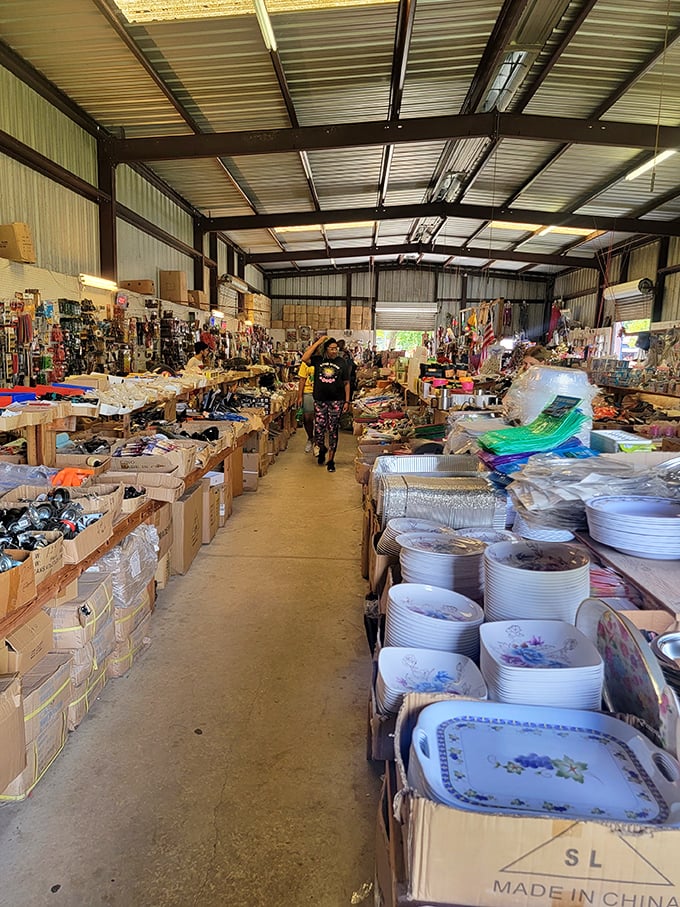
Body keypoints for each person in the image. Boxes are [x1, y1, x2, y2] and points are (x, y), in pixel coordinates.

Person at [301, 335, 350, 473]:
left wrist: (347, 401)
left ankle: (331, 460)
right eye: (332, 349)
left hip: (337, 401)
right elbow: (304, 358)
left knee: (333, 429)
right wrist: (318, 342)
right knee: (319, 429)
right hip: (320, 400)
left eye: (336, 349)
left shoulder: (342, 362)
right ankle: (321, 448)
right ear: (326, 349)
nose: (335, 351)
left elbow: (346, 383)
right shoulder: (318, 360)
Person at [297, 359, 315, 453]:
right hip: (308, 392)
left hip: (323, 392)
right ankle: (310, 438)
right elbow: (302, 380)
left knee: (322, 419)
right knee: (307, 418)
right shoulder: (306, 362)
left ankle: (319, 442)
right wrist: (300, 396)